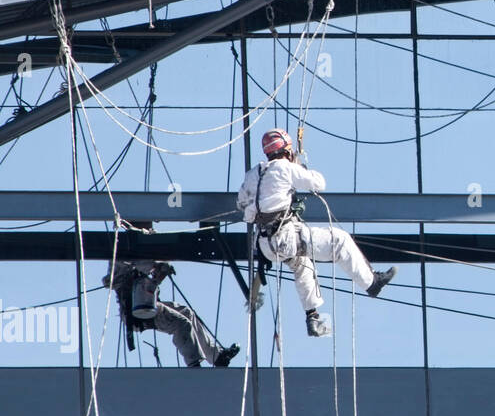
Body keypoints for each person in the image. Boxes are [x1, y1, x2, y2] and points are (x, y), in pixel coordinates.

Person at [236, 129, 396, 337]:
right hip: (286, 238)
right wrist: (298, 167)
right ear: (287, 150)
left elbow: (241, 204)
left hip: (266, 244)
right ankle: (372, 284)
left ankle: (312, 317)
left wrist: (275, 202)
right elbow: (319, 183)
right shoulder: (285, 168)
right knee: (339, 240)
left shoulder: (253, 174)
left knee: (302, 265)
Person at [102, 259, 239, 367]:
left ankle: (217, 357)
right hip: (135, 313)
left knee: (186, 313)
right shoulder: (123, 255)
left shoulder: (136, 259)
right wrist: (157, 266)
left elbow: (148, 284)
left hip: (148, 306)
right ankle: (194, 364)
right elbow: (123, 273)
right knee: (182, 324)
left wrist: (158, 273)